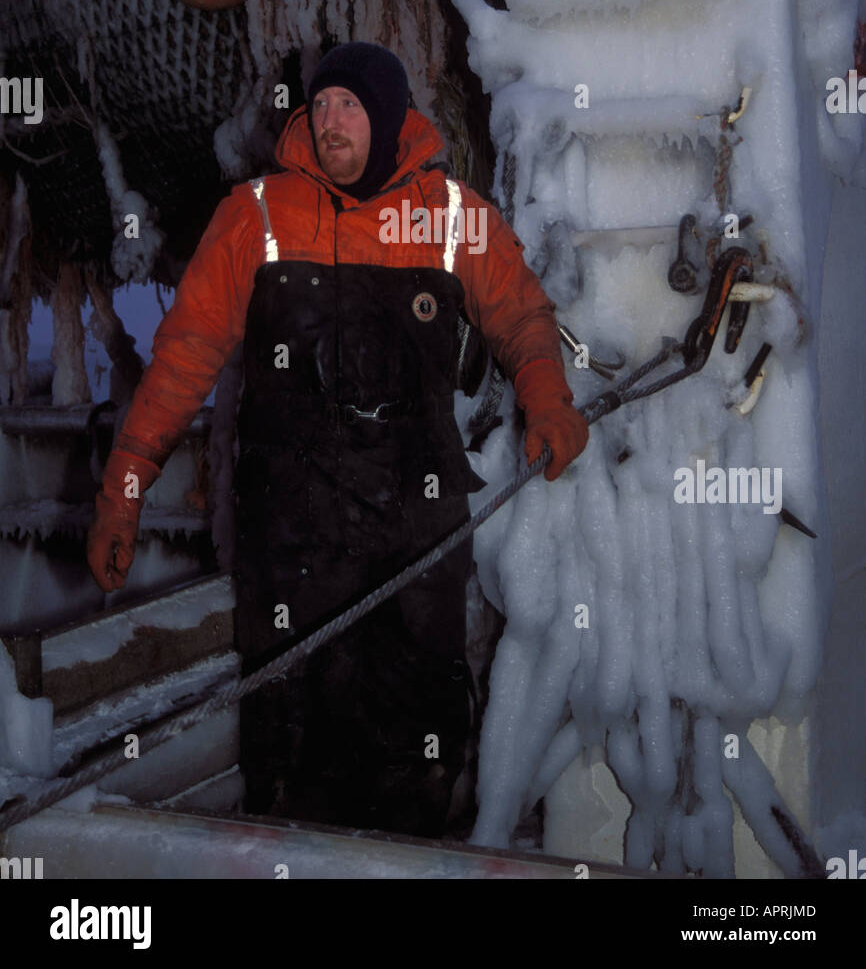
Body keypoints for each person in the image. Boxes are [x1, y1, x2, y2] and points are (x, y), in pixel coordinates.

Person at [87, 42, 589, 836]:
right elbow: (182, 358)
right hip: (292, 536)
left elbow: (522, 315)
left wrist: (549, 399)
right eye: (319, 108)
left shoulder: (450, 216)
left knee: (420, 740)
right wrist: (124, 488)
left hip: (416, 532)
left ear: (388, 115)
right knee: (291, 746)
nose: (330, 123)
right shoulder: (254, 214)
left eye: (349, 106)